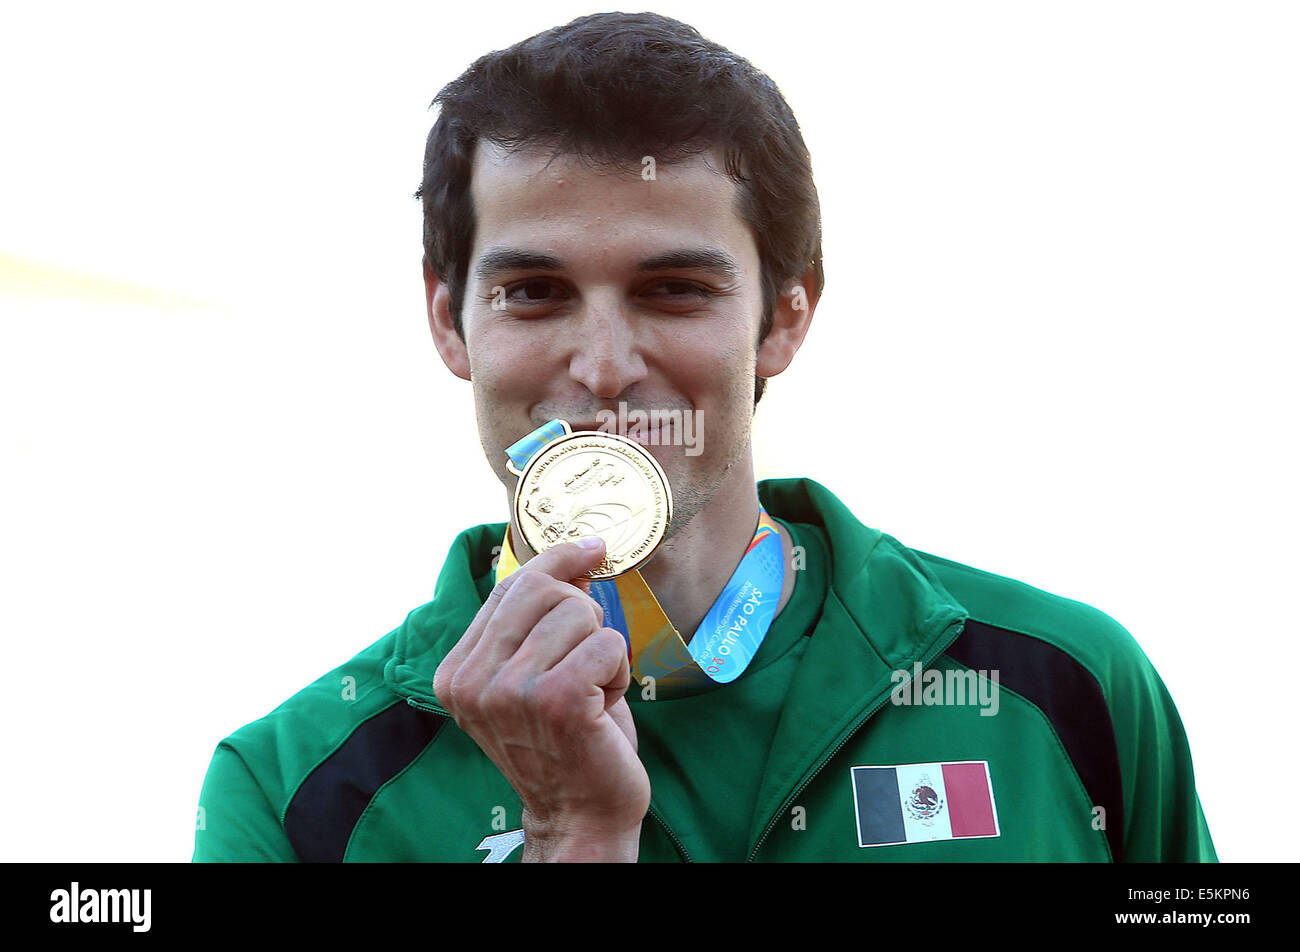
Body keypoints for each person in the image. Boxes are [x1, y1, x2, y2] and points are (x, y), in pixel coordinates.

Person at [192, 11, 1216, 863]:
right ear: (448, 322)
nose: (602, 365)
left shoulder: (1064, 684)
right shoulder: (294, 792)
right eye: (534, 292)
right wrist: (574, 836)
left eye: (673, 290)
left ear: (783, 318)